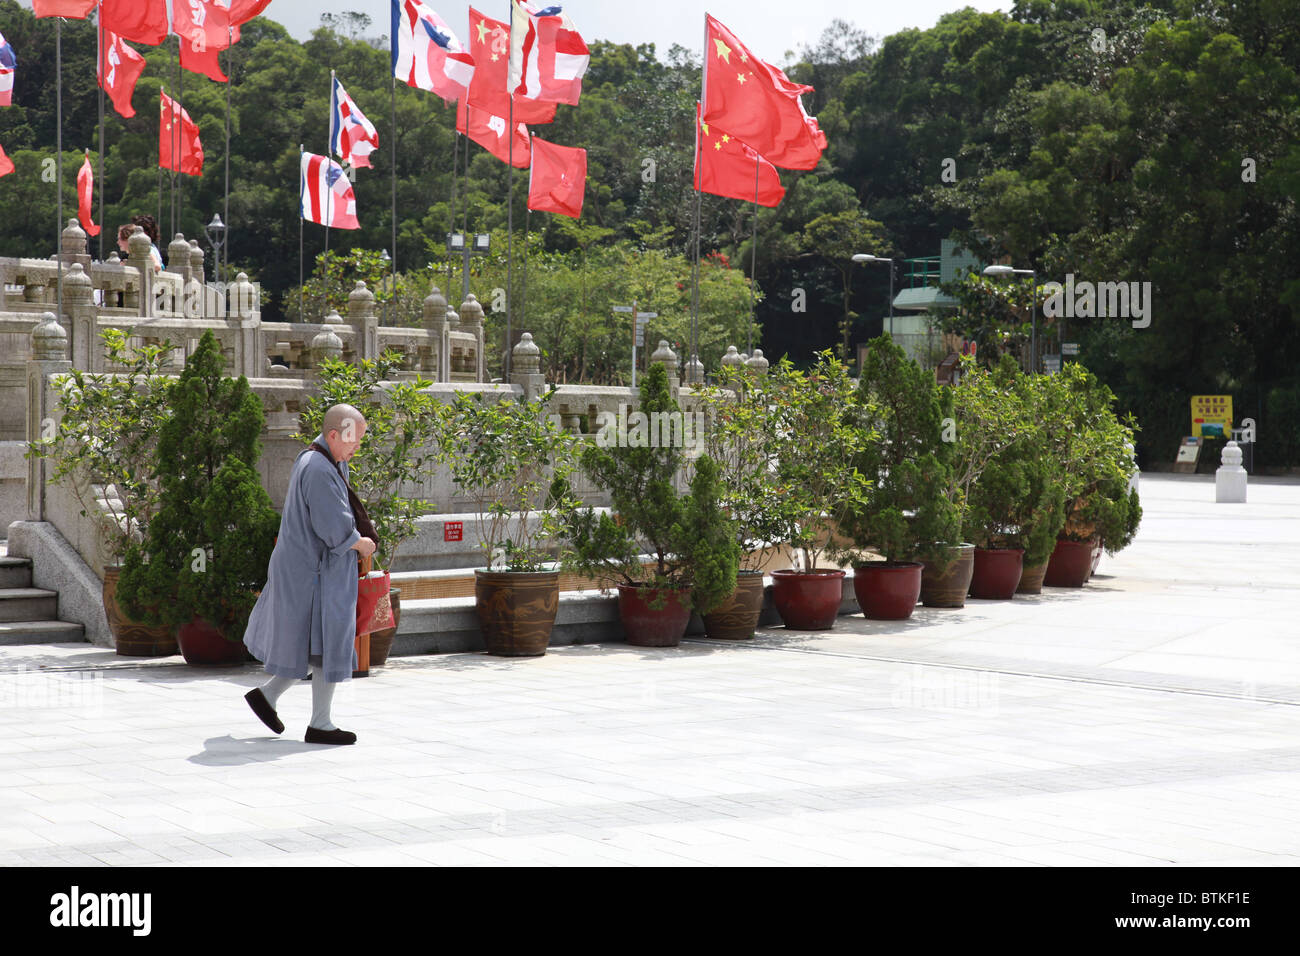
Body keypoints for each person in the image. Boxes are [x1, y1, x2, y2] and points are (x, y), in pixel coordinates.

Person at [243, 404, 376, 745]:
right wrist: (362, 544)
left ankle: (271, 697)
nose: (356, 448)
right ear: (334, 435)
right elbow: (335, 530)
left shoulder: (326, 460)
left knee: (314, 645)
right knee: (326, 641)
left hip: (312, 571)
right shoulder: (318, 468)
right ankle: (319, 722)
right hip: (316, 573)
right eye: (353, 441)